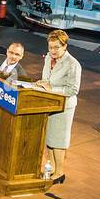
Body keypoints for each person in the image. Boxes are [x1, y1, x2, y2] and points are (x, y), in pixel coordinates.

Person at [34, 28, 80, 185]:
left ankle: (60, 173)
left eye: (56, 47)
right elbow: (47, 78)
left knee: (58, 141)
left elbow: (73, 90)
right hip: (49, 103)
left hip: (64, 107)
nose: (52, 50)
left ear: (65, 46)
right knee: (50, 139)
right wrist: (42, 83)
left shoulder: (73, 64)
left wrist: (51, 89)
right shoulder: (48, 58)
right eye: (50, 47)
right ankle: (52, 168)